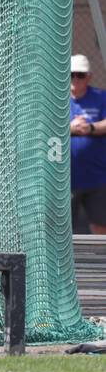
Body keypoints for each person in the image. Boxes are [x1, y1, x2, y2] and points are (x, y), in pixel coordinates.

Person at [70, 53, 106, 235]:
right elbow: (44, 127)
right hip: (64, 179)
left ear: (89, 76)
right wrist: (70, 128)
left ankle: (101, 262)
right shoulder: (55, 100)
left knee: (100, 227)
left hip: (97, 177)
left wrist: (90, 127)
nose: (75, 79)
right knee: (64, 231)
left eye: (80, 75)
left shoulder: (101, 97)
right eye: (71, 74)